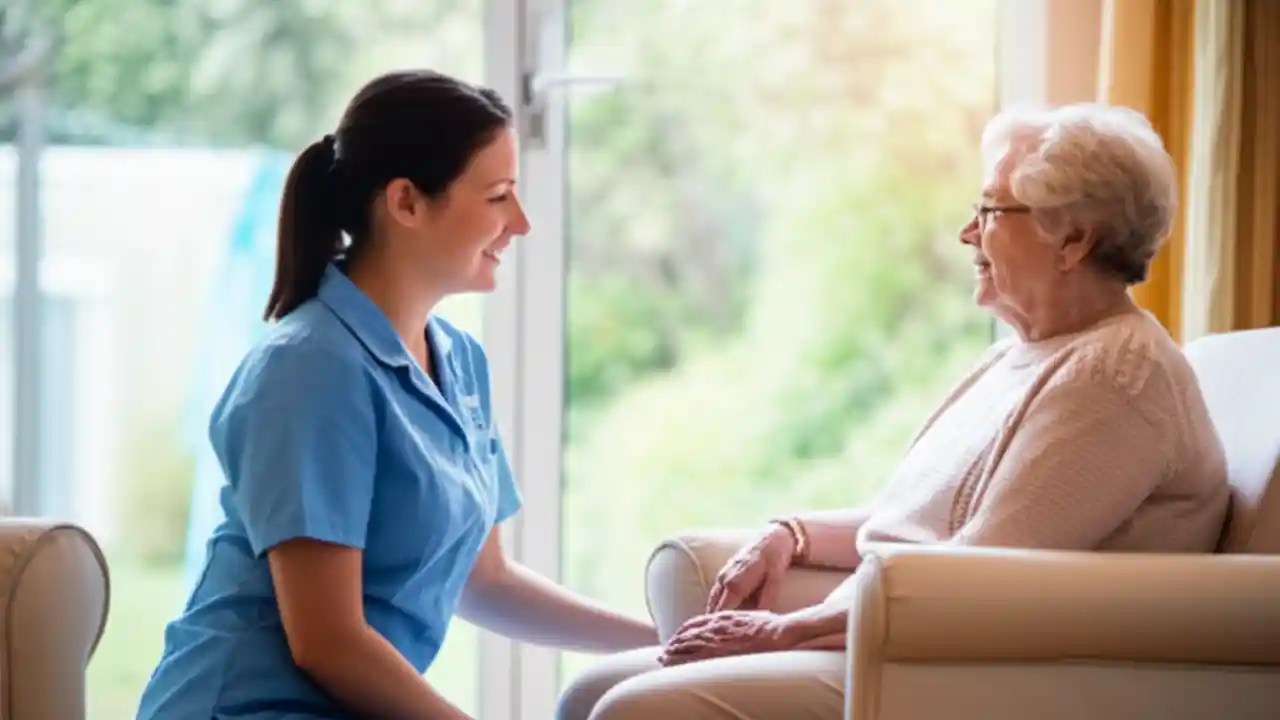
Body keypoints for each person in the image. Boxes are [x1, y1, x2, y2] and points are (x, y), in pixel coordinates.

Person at [558, 102, 1231, 720]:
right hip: (906, 639)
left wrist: (782, 630)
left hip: (975, 671)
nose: (969, 232)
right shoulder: (1020, 357)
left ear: (1073, 240)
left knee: (631, 711)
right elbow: (918, 527)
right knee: (587, 691)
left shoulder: (1116, 378)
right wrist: (790, 533)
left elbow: (973, 577)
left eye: (993, 211)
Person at [137, 70, 656, 720]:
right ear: (406, 202)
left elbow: (484, 579)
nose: (520, 224)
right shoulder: (310, 370)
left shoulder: (459, 361)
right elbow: (328, 643)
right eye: (497, 197)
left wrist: (664, 644)